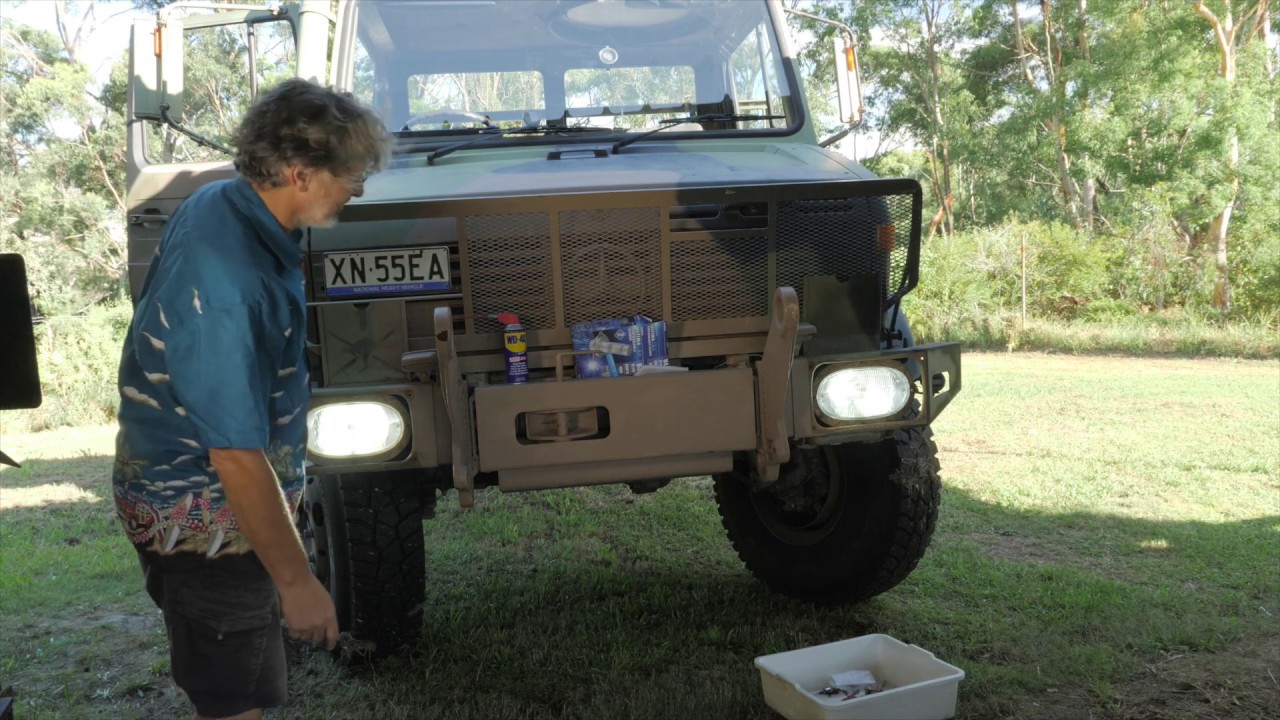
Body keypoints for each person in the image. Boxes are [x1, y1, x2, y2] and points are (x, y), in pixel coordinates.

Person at [111, 78, 389, 720]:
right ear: (299, 172)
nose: (359, 187)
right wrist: (298, 583)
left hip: (215, 507)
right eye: (349, 173)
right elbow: (234, 455)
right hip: (206, 523)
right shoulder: (228, 286)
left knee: (236, 685)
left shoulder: (223, 202)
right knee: (237, 704)